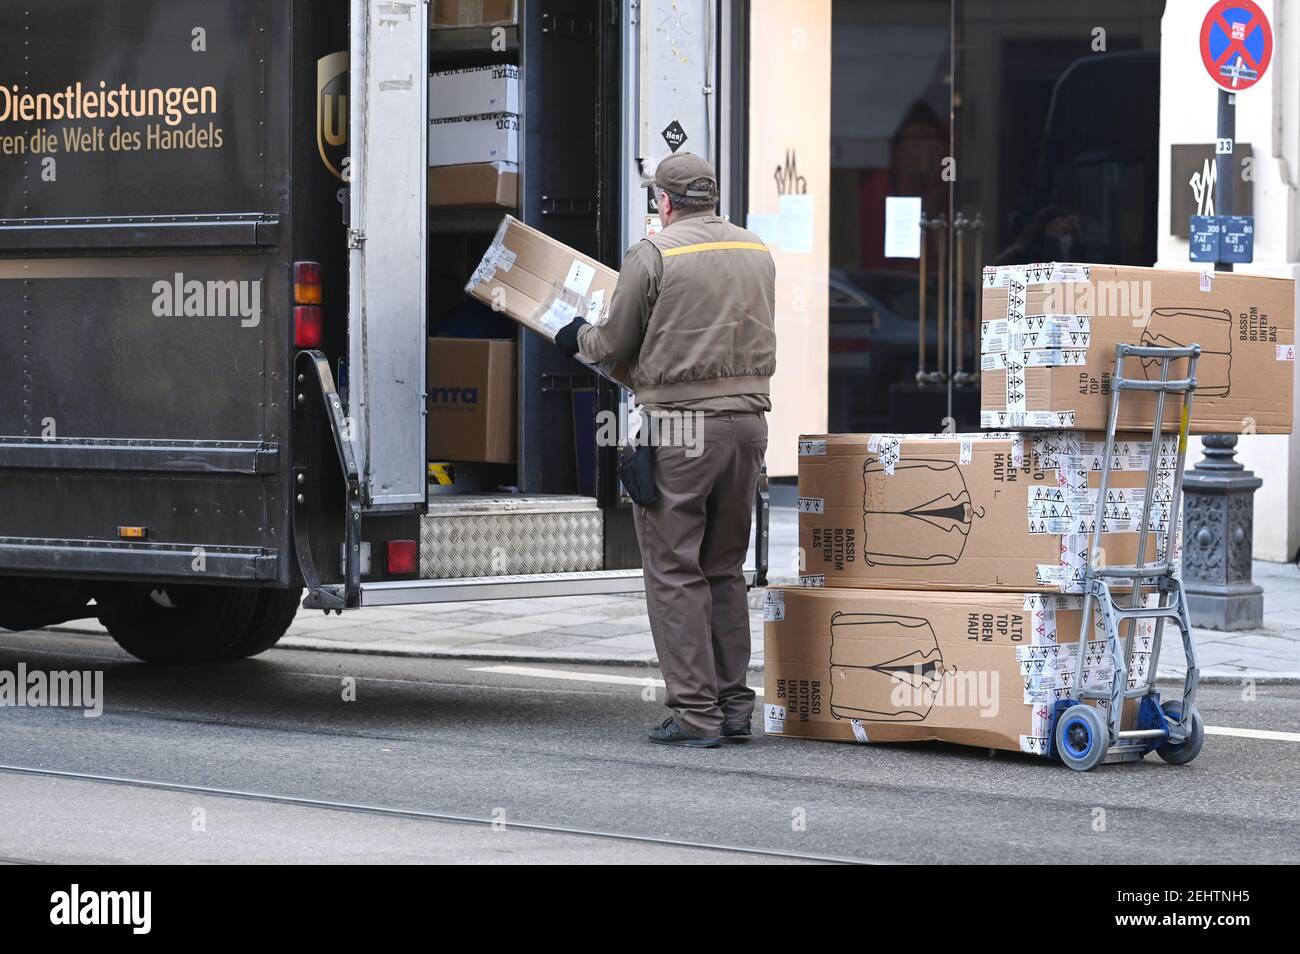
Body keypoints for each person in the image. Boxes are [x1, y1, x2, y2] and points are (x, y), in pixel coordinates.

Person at [554, 152, 777, 748]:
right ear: (712, 196)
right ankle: (733, 709)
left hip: (682, 428)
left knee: (675, 570)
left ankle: (695, 715)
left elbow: (616, 340)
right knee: (724, 568)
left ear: (666, 202)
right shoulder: (755, 249)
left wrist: (574, 336)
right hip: (750, 427)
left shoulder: (654, 254)